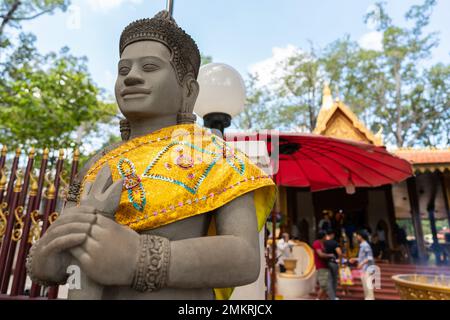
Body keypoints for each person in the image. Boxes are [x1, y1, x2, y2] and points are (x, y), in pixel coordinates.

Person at [350, 230, 376, 300]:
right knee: (365, 285)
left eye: (358, 235)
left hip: (367, 268)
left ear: (361, 236)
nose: (357, 237)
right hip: (364, 268)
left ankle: (370, 298)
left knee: (368, 285)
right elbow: (363, 257)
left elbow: (370, 257)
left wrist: (361, 264)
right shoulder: (362, 245)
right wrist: (355, 259)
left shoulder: (365, 245)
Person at [312, 231, 335, 300]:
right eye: (325, 236)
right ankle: (318, 298)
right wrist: (330, 255)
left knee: (326, 285)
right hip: (321, 266)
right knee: (324, 285)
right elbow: (320, 254)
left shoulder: (323, 243)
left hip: (326, 265)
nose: (326, 237)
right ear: (323, 237)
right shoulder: (317, 243)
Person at [324, 229, 342, 300]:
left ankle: (330, 297)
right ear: (332, 235)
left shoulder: (323, 243)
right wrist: (340, 262)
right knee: (334, 280)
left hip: (325, 263)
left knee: (329, 280)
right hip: (334, 262)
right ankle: (333, 297)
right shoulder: (334, 243)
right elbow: (339, 253)